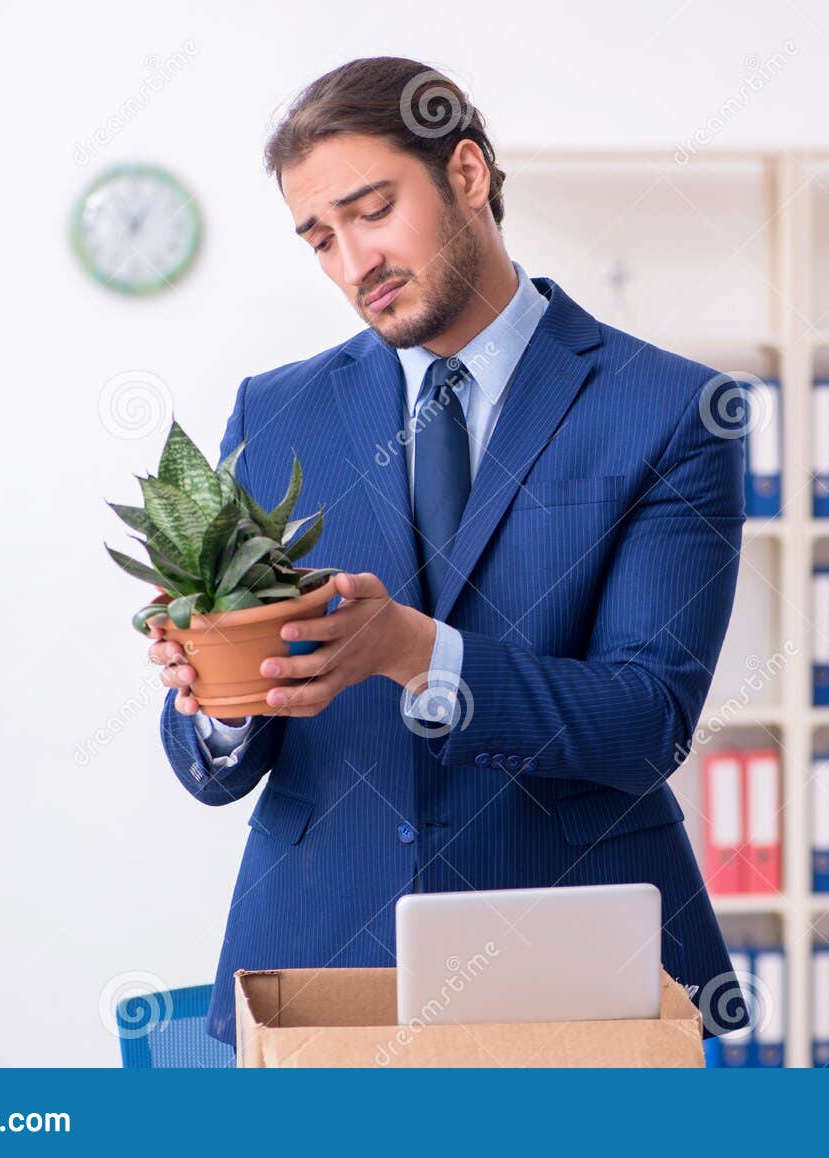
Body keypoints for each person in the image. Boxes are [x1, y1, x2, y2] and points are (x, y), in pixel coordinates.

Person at [148, 55, 748, 1047]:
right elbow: (212, 766)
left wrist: (415, 654)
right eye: (320, 239)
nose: (353, 266)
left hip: (574, 959)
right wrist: (212, 696)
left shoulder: (671, 411)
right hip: (320, 954)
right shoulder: (277, 409)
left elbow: (647, 721)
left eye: (372, 211)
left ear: (467, 174)